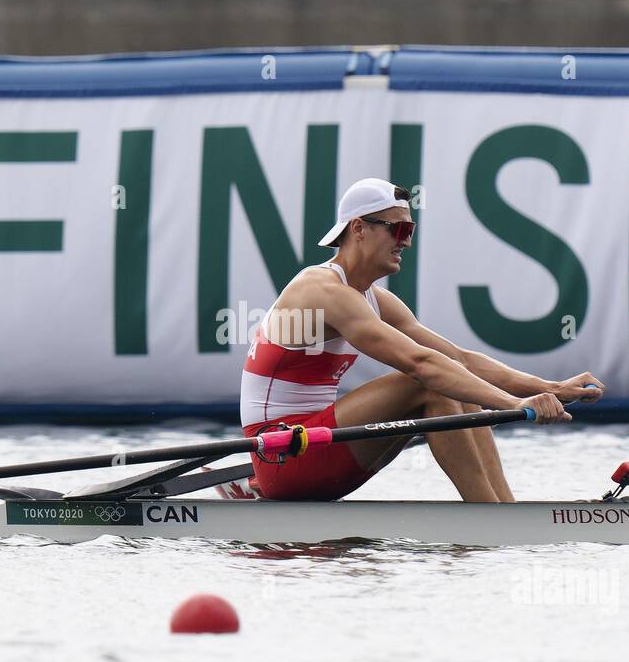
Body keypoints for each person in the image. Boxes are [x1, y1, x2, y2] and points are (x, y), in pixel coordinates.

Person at [239, 177, 604, 502]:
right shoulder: (321, 290)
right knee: (432, 384)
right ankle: (494, 520)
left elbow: (458, 359)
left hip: (308, 446)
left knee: (455, 380)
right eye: (398, 230)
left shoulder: (372, 298)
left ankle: (503, 512)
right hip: (282, 454)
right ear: (358, 228)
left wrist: (550, 387)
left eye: (410, 230)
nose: (407, 242)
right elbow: (421, 365)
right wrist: (514, 403)